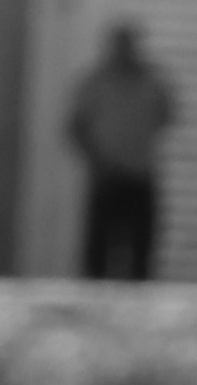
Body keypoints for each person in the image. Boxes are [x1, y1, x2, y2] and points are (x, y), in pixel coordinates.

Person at [69, 20, 176, 282]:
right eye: (119, 45)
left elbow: (166, 117)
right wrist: (98, 160)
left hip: (141, 176)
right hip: (107, 177)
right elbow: (75, 127)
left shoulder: (153, 81)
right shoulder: (95, 81)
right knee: (98, 252)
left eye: (130, 45)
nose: (125, 51)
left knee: (141, 249)